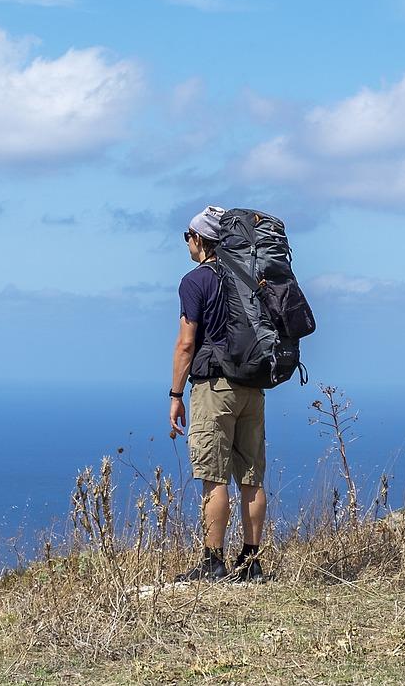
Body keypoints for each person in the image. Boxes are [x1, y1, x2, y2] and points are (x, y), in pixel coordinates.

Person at [169, 205, 267, 583]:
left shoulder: (196, 281)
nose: (187, 242)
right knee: (252, 477)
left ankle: (213, 562)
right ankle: (251, 563)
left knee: (214, 477)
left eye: (188, 235)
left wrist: (175, 394)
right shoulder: (250, 276)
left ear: (200, 239)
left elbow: (186, 343)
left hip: (215, 387)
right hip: (253, 386)